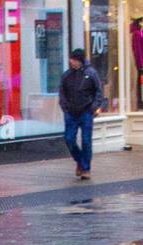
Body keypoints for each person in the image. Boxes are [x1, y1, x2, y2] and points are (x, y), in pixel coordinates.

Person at [59, 47, 104, 178]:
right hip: (71, 113)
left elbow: (99, 91)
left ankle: (86, 169)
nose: (71, 62)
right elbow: (62, 92)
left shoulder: (91, 74)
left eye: (73, 59)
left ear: (80, 61)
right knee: (69, 139)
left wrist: (94, 107)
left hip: (86, 112)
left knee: (86, 141)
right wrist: (65, 107)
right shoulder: (67, 75)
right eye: (71, 59)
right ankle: (80, 160)